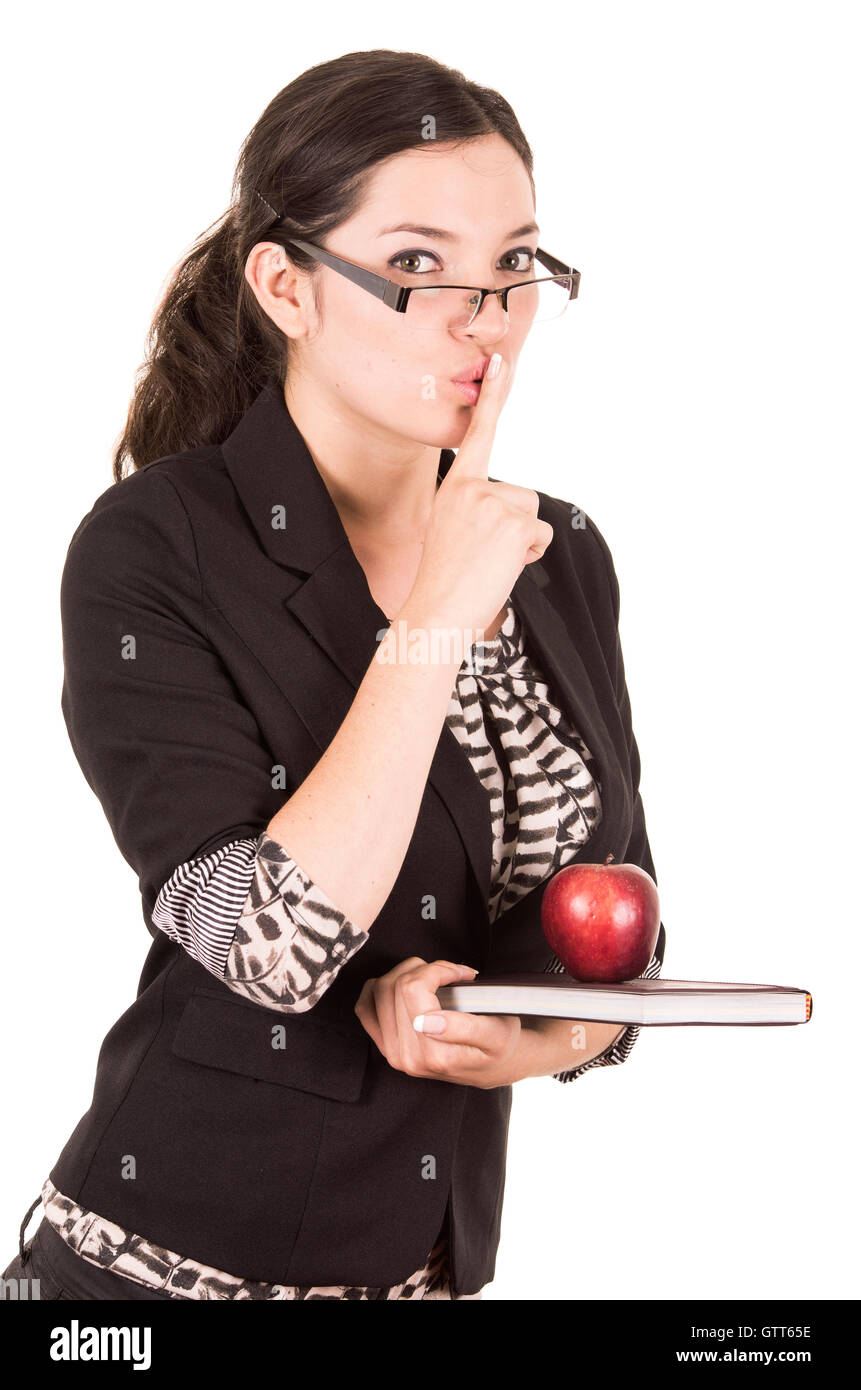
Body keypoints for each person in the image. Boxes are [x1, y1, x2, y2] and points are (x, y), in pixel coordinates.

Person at [3, 48, 666, 1302]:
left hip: (428, 1272)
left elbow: (615, 940)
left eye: (516, 265)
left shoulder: (556, 551)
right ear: (285, 286)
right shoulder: (153, 547)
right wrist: (430, 622)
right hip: (159, 1278)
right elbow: (265, 947)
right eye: (416, 265)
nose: (486, 317)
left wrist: (520, 1041)